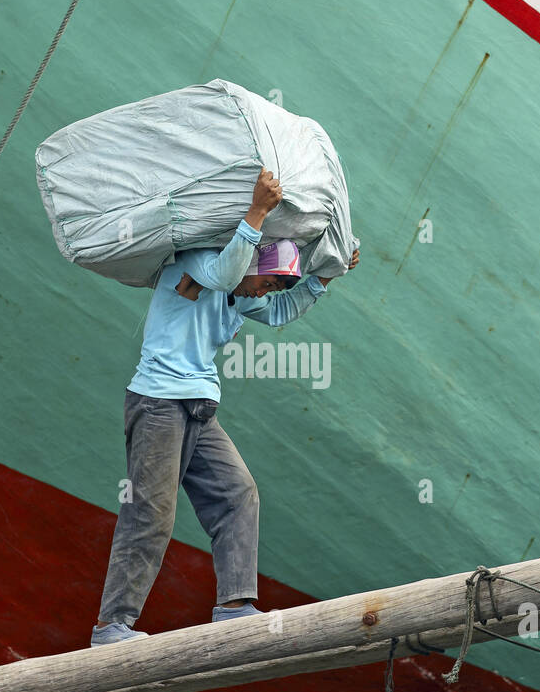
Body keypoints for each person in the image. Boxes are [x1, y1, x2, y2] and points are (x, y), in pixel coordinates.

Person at [92, 167, 360, 646]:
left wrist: (322, 279)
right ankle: (113, 626)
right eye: (269, 282)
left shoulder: (240, 295)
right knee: (150, 513)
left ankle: (235, 607)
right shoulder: (197, 261)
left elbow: (278, 312)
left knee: (237, 494)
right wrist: (257, 210)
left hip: (197, 406)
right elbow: (225, 273)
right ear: (254, 265)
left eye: (275, 286)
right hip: (158, 402)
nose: (267, 294)